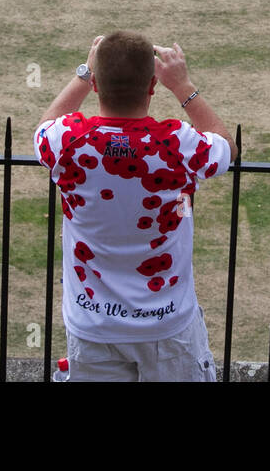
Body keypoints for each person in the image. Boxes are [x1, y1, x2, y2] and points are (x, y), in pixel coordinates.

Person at [33, 31, 232, 381]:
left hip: (92, 322)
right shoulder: (176, 144)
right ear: (153, 85)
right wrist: (183, 85)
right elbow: (225, 148)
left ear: (95, 83)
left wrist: (83, 73)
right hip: (166, 324)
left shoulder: (67, 141)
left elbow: (44, 127)